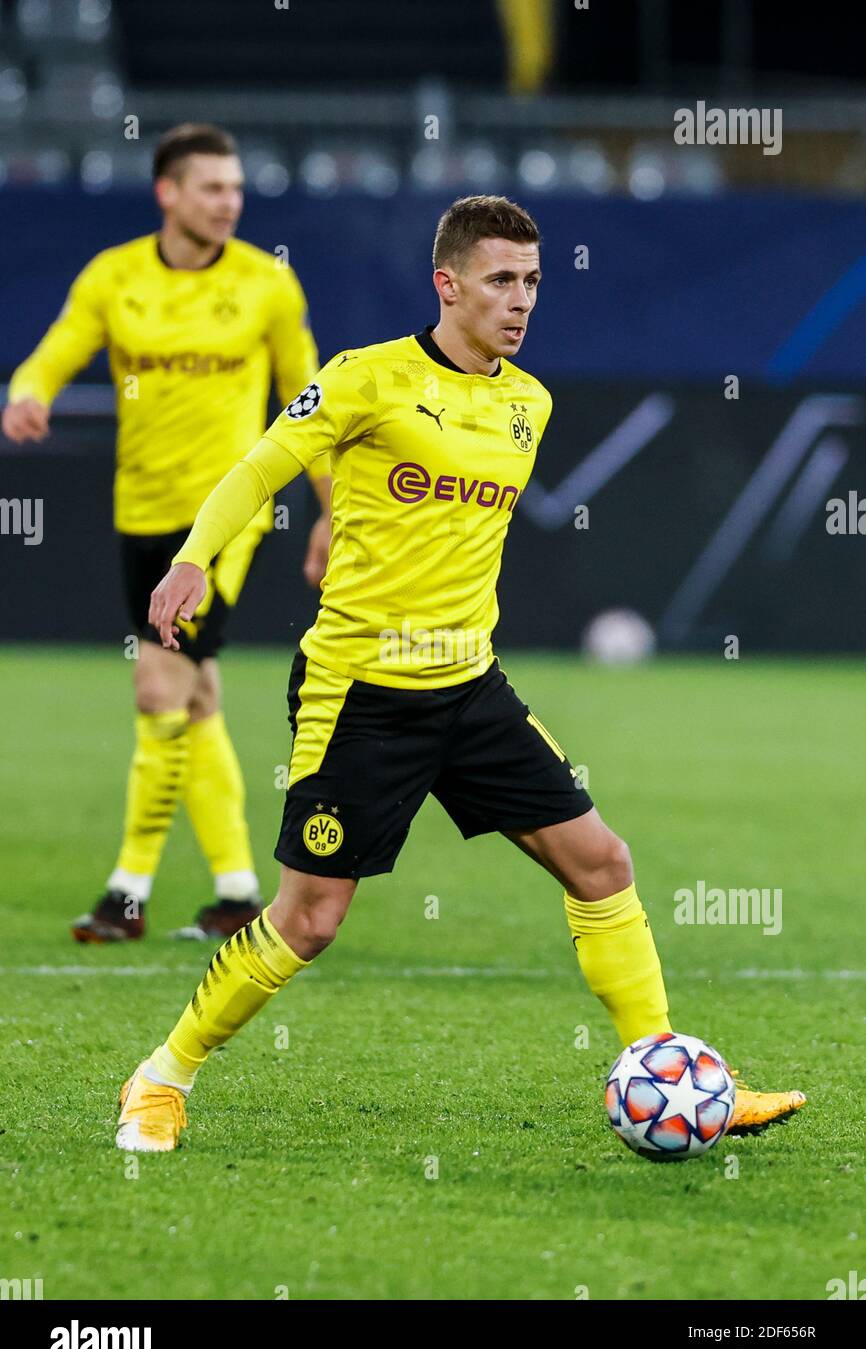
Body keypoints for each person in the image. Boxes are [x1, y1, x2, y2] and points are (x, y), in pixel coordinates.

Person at [114, 194, 805, 1151]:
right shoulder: (368, 378)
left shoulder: (531, 403)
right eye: (499, 281)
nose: (520, 301)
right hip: (361, 692)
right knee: (309, 920)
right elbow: (260, 467)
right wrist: (193, 558)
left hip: (472, 689)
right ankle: (160, 1076)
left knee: (601, 862)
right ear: (448, 285)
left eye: (531, 282)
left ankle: (674, 1076)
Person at [2, 123, 330, 942]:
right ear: (168, 193)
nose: (230, 203)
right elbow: (56, 350)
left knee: (158, 687)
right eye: (212, 188)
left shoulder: (267, 284)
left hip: (224, 514)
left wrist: (331, 509)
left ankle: (127, 894)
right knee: (196, 698)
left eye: (235, 189)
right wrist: (29, 390)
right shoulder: (115, 277)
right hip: (139, 509)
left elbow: (312, 397)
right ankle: (236, 893)